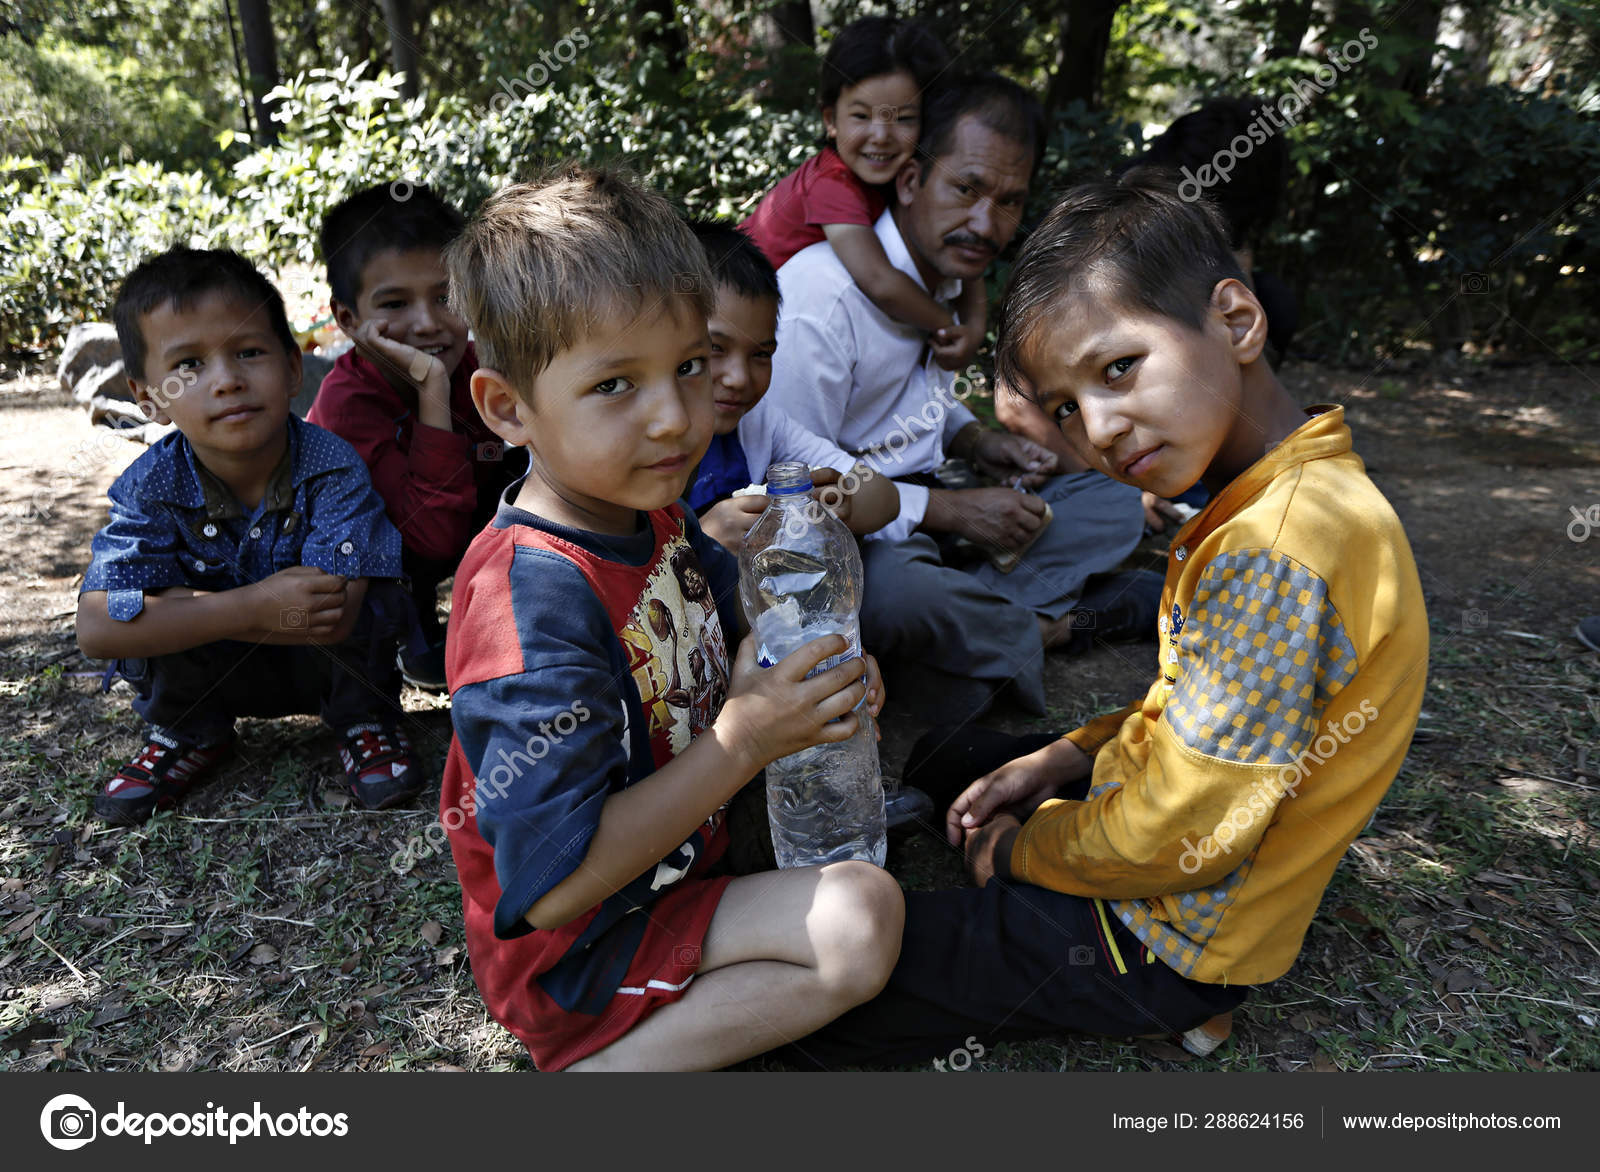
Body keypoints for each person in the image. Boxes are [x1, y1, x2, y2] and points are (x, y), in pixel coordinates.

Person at [784, 170, 1429, 1067]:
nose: (1102, 428)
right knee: (957, 761)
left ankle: (1182, 999)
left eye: (1118, 369)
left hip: (1166, 927)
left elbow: (1179, 831)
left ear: (1236, 321)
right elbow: (1193, 703)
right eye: (1067, 411)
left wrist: (1021, 853)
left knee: (837, 978)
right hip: (1178, 815)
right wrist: (1064, 757)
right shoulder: (1284, 494)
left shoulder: (1275, 552)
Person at [438, 167, 903, 1071]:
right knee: (863, 924)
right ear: (508, 408)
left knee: (867, 887)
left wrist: (793, 679)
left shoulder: (649, 516)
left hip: (688, 866)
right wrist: (741, 742)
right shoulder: (527, 604)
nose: (674, 418)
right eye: (616, 384)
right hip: (585, 948)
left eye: (688, 366)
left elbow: (716, 640)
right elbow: (552, 888)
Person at [764, 73, 1155, 720]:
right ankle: (1048, 629)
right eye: (967, 189)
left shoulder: (943, 279)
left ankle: (962, 634)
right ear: (912, 180)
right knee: (899, 595)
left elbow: (910, 403)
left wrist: (978, 441)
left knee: (1111, 498)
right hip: (858, 538)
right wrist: (953, 513)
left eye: (1008, 201)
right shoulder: (822, 299)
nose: (985, 223)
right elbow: (798, 489)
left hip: (932, 507)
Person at [77, 247, 422, 825]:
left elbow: (334, 615)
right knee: (143, 611)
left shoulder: (332, 465)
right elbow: (96, 625)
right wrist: (255, 604)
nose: (227, 380)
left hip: (321, 665)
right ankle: (190, 733)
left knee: (372, 589)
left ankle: (366, 720)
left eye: (249, 352)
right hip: (213, 667)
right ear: (146, 397)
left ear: (292, 369)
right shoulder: (148, 486)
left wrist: (183, 606)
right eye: (188, 364)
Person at [307, 182, 523, 692]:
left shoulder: (475, 369)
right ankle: (409, 639)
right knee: (376, 548)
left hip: (448, 512)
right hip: (383, 549)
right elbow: (429, 537)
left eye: (445, 296)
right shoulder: (347, 407)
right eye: (395, 303)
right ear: (347, 320)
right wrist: (431, 389)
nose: (428, 324)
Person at [740, 16, 988, 372]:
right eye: (861, 115)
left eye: (903, 119)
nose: (881, 136)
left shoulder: (902, 178)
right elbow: (880, 282)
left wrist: (975, 328)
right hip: (729, 309)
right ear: (831, 119)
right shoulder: (831, 184)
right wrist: (947, 324)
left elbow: (966, 250)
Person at [685, 219, 899, 554]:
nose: (739, 378)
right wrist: (703, 545)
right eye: (715, 348)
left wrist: (829, 503)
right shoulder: (639, 446)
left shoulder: (759, 424)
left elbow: (884, 497)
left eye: (760, 354)